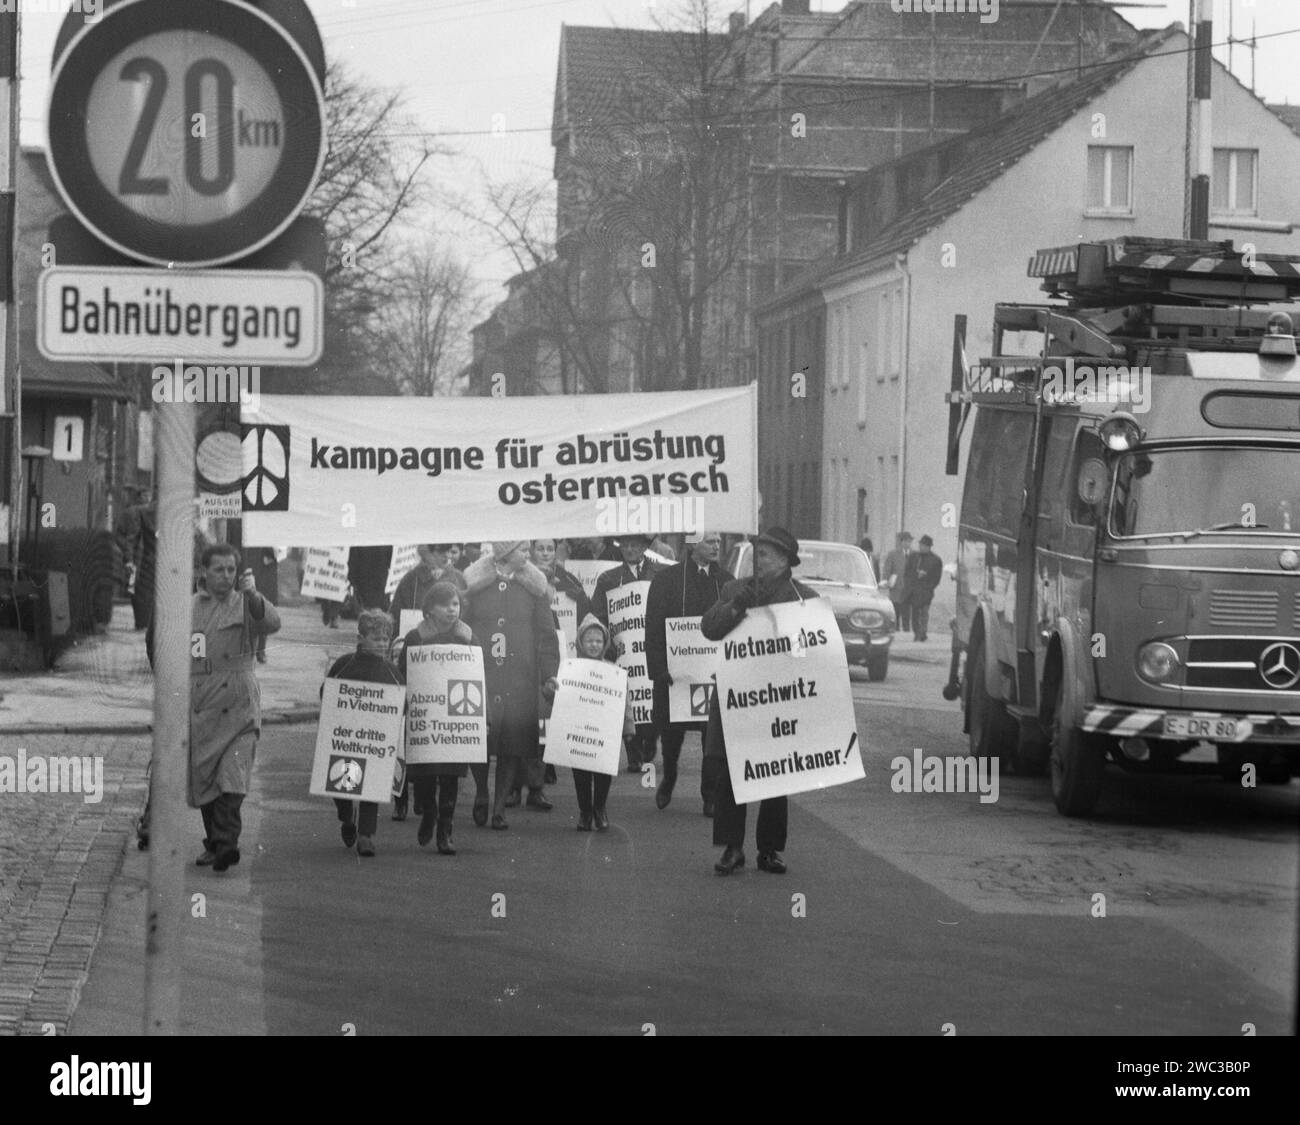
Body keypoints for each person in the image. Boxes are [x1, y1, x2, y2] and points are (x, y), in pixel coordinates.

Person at [701, 527, 816, 877]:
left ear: (784, 560)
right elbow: (709, 627)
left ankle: (769, 850)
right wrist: (736, 607)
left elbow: (816, 647)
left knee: (775, 772)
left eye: (764, 554)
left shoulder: (803, 598)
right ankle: (732, 848)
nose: (758, 559)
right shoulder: (737, 589)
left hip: (777, 698)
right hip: (739, 696)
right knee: (731, 772)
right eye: (756, 553)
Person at [190, 544, 281, 872]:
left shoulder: (246, 603)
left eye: (231, 569)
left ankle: (226, 843)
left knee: (233, 776)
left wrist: (254, 594)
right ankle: (215, 844)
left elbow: (271, 622)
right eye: (219, 569)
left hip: (240, 706)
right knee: (207, 778)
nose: (226, 576)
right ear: (204, 572)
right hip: (204, 704)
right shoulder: (192, 608)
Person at [462, 541, 560, 829]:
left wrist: (549, 675)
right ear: (506, 553)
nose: (528, 555)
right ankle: (482, 792)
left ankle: (499, 807)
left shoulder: (535, 588)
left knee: (512, 743)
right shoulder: (475, 585)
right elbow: (461, 625)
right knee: (481, 739)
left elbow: (546, 634)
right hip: (483, 674)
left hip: (521, 676)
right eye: (522, 549)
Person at [644, 530, 730, 815]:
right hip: (674, 674)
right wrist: (658, 668)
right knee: (671, 734)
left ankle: (710, 794)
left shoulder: (726, 583)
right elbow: (654, 627)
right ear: (694, 545)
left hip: (712, 676)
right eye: (710, 541)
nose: (717, 546)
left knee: (712, 737)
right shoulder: (667, 581)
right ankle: (668, 778)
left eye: (718, 541)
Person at [399, 583, 483, 855]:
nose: (452, 609)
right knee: (423, 775)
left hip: (454, 720)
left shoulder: (468, 639)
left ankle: (445, 831)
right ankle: (429, 814)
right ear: (430, 609)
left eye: (456, 604)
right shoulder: (415, 638)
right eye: (445, 604)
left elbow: (479, 676)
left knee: (450, 777)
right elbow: (403, 674)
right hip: (426, 717)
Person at [322, 610, 401, 858]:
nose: (382, 644)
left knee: (371, 788)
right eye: (376, 638)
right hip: (347, 738)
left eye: (386, 639)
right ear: (361, 637)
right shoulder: (344, 664)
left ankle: (366, 835)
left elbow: (402, 703)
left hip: (375, 742)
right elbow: (327, 694)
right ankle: (346, 817)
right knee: (342, 784)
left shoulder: (390, 671)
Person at [530, 538, 590, 788]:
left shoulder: (566, 578)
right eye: (540, 548)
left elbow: (587, 608)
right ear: (532, 551)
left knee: (553, 705)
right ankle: (534, 770)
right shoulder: (525, 576)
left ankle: (548, 764)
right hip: (531, 648)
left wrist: (579, 598)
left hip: (561, 648)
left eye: (549, 549)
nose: (545, 553)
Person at [569, 614, 625, 831]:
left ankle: (599, 809)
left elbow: (624, 701)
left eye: (599, 641)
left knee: (603, 773)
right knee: (581, 774)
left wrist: (628, 728)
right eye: (589, 640)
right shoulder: (571, 668)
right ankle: (585, 812)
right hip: (580, 730)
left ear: (605, 644)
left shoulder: (612, 670)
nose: (594, 645)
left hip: (604, 732)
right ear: (580, 643)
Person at [904, 534, 943, 642]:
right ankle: (917, 632)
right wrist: (914, 577)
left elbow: (936, 578)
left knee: (924, 612)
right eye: (920, 545)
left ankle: (922, 633)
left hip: (926, 591)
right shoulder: (914, 557)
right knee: (915, 614)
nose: (921, 547)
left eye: (924, 545)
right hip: (914, 590)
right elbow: (907, 572)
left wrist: (926, 580)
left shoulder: (936, 560)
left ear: (929, 547)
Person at [246, 547, 280, 664]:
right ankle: (253, 652)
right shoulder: (254, 559)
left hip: (263, 596)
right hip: (252, 594)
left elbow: (272, 585)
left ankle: (260, 652)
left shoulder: (271, 565)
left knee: (262, 622)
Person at [881, 532, 913, 633]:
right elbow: (887, 569)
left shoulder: (914, 554)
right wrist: (886, 581)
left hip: (908, 590)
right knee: (896, 611)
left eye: (910, 541)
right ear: (902, 542)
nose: (908, 543)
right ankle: (896, 630)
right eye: (906, 541)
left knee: (907, 613)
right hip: (896, 588)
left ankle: (906, 631)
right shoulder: (893, 554)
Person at [348, 545, 393, 612]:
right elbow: (391, 561)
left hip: (365, 582)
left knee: (367, 611)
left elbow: (352, 561)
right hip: (377, 583)